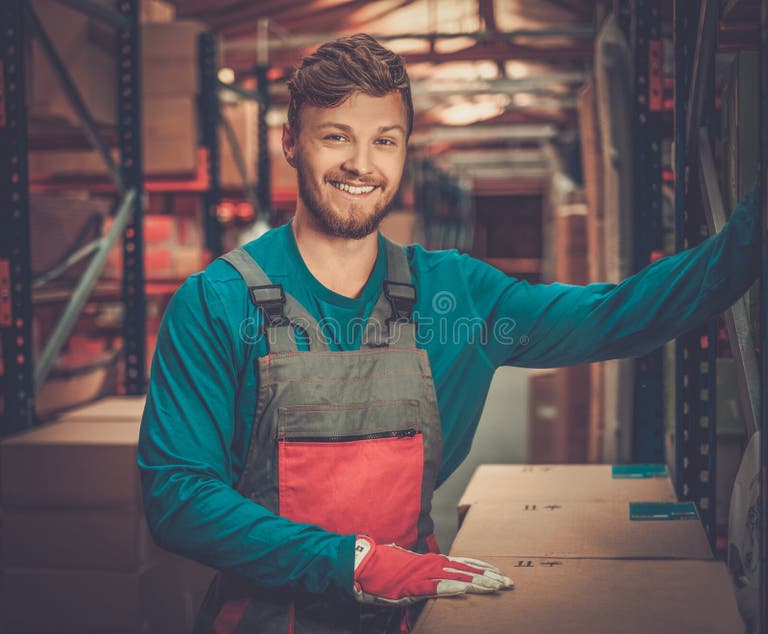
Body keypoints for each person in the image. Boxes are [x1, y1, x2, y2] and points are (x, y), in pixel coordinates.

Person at [138, 33, 761, 634]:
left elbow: (616, 314)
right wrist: (356, 562)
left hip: (417, 615)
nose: (362, 163)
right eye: (336, 136)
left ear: (406, 149)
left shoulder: (456, 298)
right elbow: (178, 497)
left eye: (385, 140)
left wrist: (748, 239)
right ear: (291, 143)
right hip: (264, 621)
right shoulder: (217, 304)